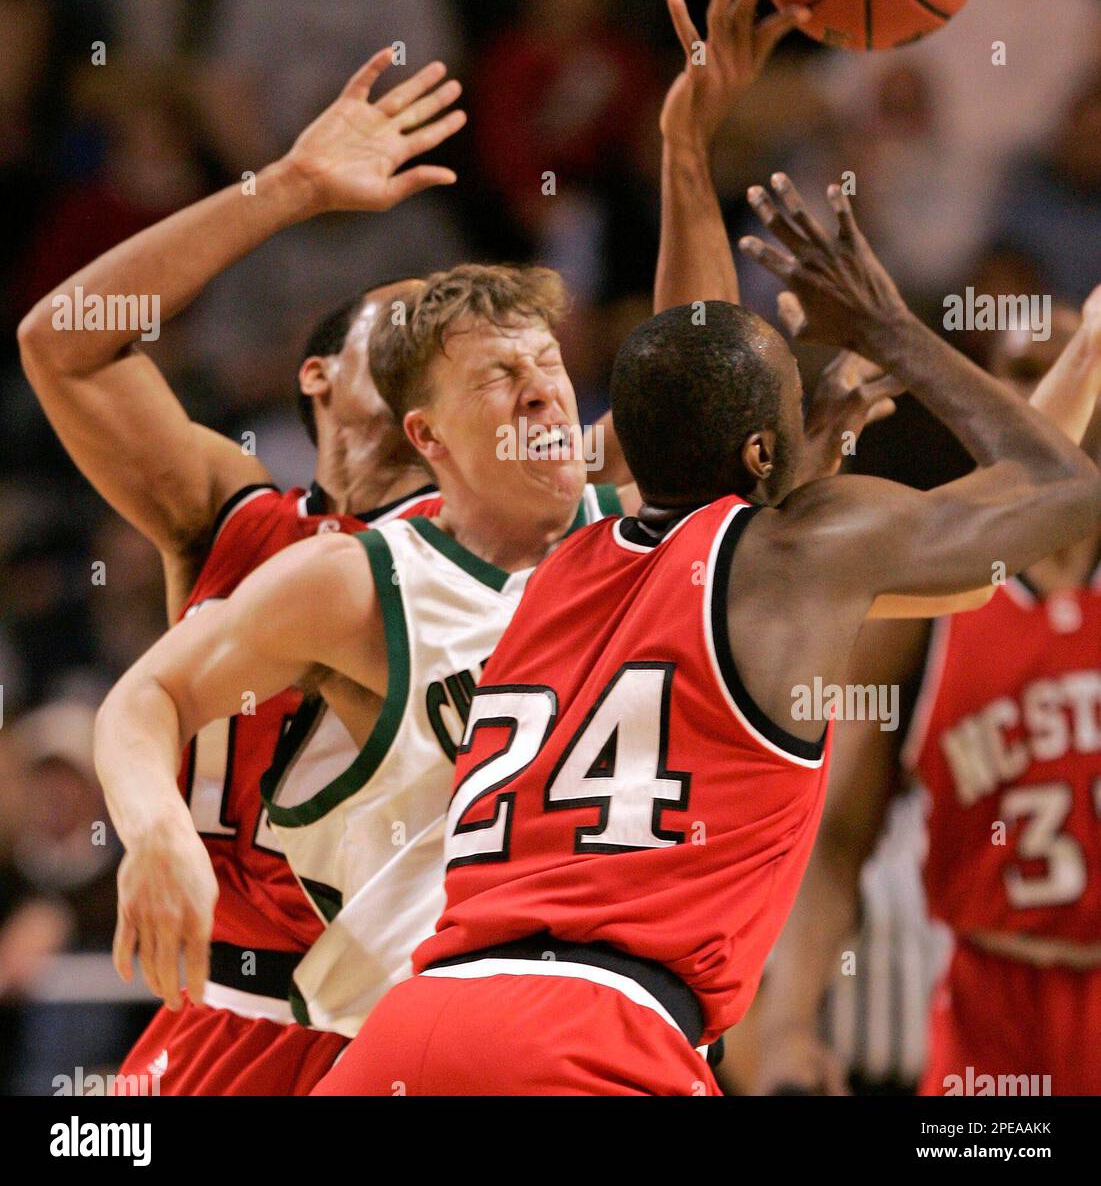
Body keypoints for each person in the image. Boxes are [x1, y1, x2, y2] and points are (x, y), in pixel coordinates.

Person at [310, 177, 1101, 1096]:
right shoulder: (799, 557)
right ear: (768, 455)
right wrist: (887, 328)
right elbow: (1054, 485)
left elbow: (702, 525)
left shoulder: (556, 552)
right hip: (594, 1036)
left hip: (409, 1033)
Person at [18, 48, 465, 1093]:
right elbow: (63, 341)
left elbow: (684, 446)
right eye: (399, 314)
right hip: (223, 1015)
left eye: (448, 327)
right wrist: (290, 188)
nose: (427, 329)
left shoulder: (506, 537)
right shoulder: (241, 520)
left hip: (410, 1017)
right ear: (318, 375)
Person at [755, 289, 1101, 1098]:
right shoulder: (920, 611)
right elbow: (835, 842)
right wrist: (787, 1027)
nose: (1049, 392)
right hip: (988, 1005)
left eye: (1073, 364)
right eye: (1020, 372)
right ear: (982, 402)